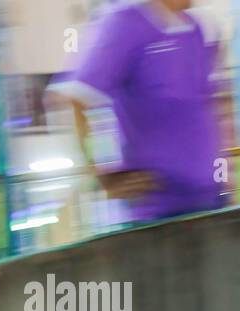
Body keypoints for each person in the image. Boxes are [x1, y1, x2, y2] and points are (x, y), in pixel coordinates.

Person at [47, 0, 224, 222]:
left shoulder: (197, 29)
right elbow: (78, 97)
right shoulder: (125, 23)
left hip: (208, 200)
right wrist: (104, 175)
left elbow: (202, 105)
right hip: (156, 211)